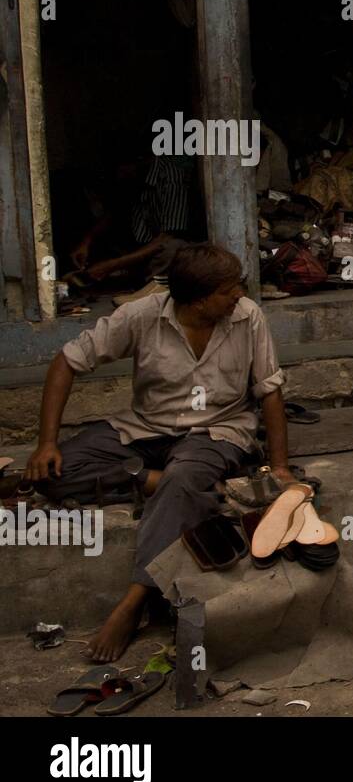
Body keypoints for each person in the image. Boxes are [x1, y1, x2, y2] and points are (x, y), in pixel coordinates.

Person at [24, 244, 292, 662]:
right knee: (54, 472)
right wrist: (46, 443)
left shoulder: (247, 317)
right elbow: (66, 362)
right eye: (228, 289)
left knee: (184, 476)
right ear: (200, 299)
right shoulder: (141, 315)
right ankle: (156, 483)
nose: (239, 294)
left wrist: (279, 468)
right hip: (145, 429)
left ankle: (134, 601)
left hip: (215, 431)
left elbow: (271, 393)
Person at [69, 156, 195, 297]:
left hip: (163, 249)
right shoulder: (131, 179)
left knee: (173, 248)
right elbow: (114, 212)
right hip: (138, 245)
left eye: (122, 169)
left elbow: (166, 238)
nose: (119, 174)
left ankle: (151, 293)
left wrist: (112, 265)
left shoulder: (171, 178)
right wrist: (87, 241)